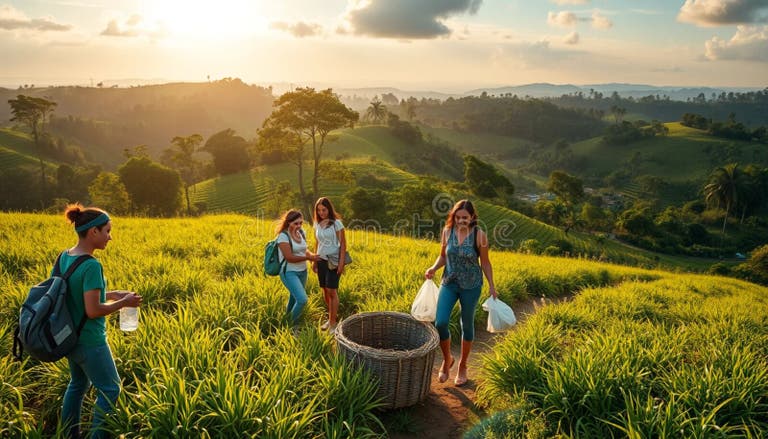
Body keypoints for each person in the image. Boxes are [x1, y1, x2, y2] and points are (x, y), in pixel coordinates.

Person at [60, 204, 142, 438]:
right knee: (110, 389)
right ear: (93, 232)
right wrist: (124, 303)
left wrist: (112, 294)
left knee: (77, 385)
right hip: (91, 341)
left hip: (70, 338)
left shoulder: (65, 257)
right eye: (107, 231)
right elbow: (93, 310)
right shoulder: (92, 265)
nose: (110, 237)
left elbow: (75, 294)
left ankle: (68, 434)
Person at [425, 200, 497, 387]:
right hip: (449, 282)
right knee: (440, 322)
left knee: (467, 324)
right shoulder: (447, 232)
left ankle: (463, 366)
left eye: (464, 217)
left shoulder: (479, 236)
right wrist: (433, 268)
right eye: (458, 217)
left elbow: (486, 263)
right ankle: (447, 359)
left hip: (471, 286)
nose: (461, 221)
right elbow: (443, 256)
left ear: (472, 217)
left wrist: (492, 285)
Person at [275, 209, 318, 326]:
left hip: (302, 272)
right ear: (288, 222)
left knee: (294, 298)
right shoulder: (283, 236)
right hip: (288, 272)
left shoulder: (301, 232)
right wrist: (308, 258)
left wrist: (314, 257)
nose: (299, 226)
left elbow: (305, 250)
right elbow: (289, 257)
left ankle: (285, 322)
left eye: (301, 223)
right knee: (302, 299)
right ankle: (292, 325)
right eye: (295, 223)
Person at [311, 197, 346, 334]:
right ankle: (330, 318)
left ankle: (333, 323)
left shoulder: (337, 224)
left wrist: (341, 263)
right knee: (325, 291)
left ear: (329, 209)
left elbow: (343, 244)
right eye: (319, 210)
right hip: (321, 260)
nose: (321, 213)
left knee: (332, 290)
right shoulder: (317, 224)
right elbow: (317, 243)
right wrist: (314, 260)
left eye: (324, 210)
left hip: (333, 261)